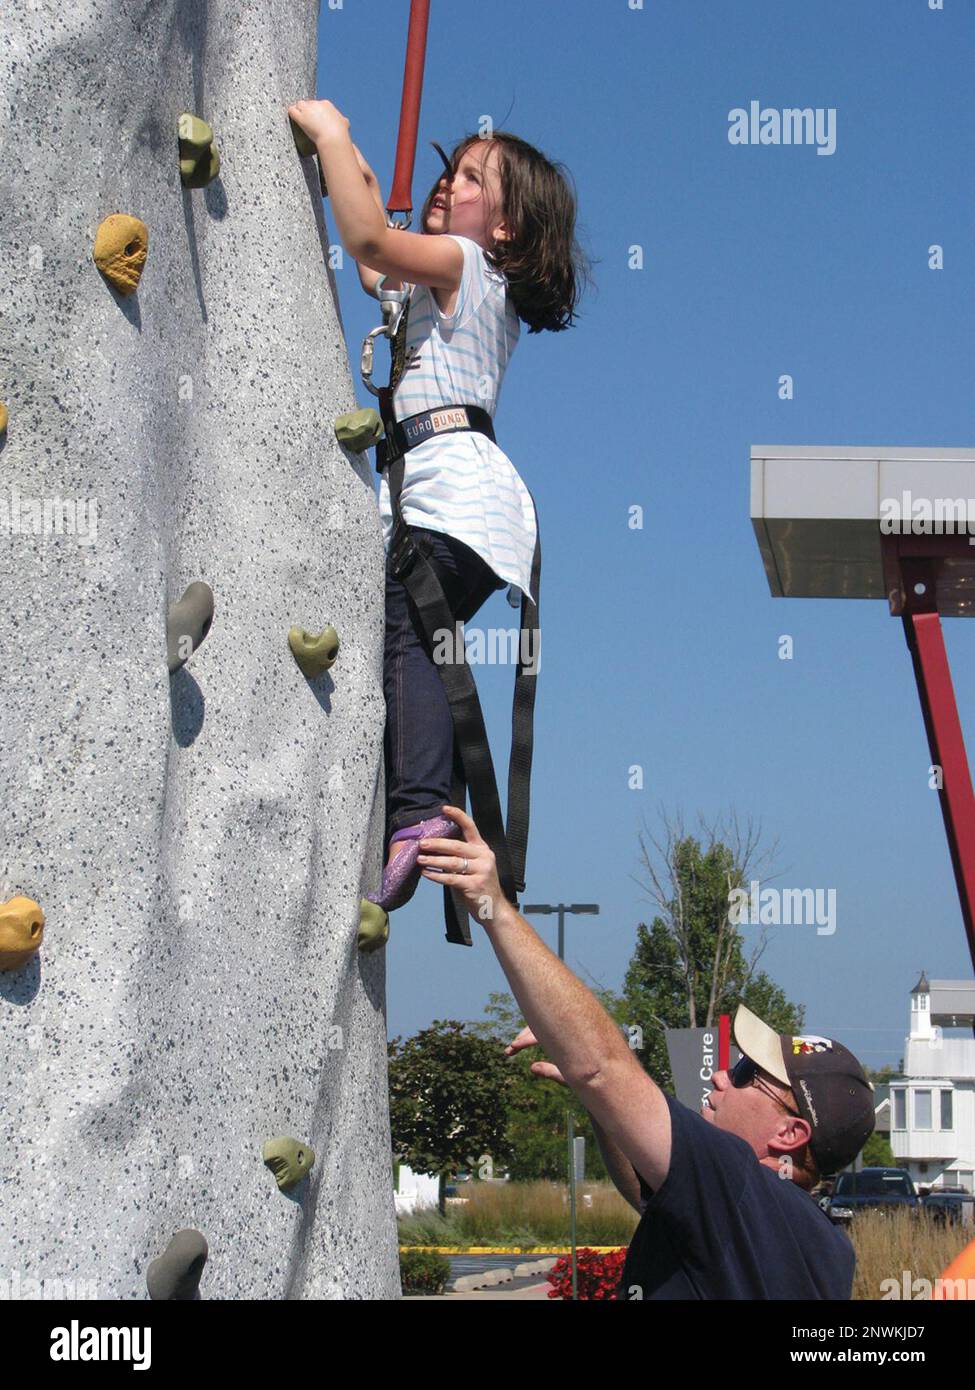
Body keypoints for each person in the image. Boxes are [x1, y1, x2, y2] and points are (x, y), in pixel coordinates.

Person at [288, 97, 592, 913]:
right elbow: (373, 270)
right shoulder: (457, 275)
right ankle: (429, 806)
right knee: (414, 634)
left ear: (506, 230)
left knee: (408, 631)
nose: (445, 185)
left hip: (452, 486)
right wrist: (349, 168)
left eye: (468, 179)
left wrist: (331, 137)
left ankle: (419, 811)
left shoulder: (463, 263)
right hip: (461, 494)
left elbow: (367, 242)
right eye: (446, 171)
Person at [412, 804, 877, 1300]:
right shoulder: (814, 1243)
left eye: (745, 1074)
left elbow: (604, 1068)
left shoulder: (738, 1184)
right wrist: (601, 1103)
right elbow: (646, 1191)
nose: (722, 1077)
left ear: (790, 1132)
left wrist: (492, 905)